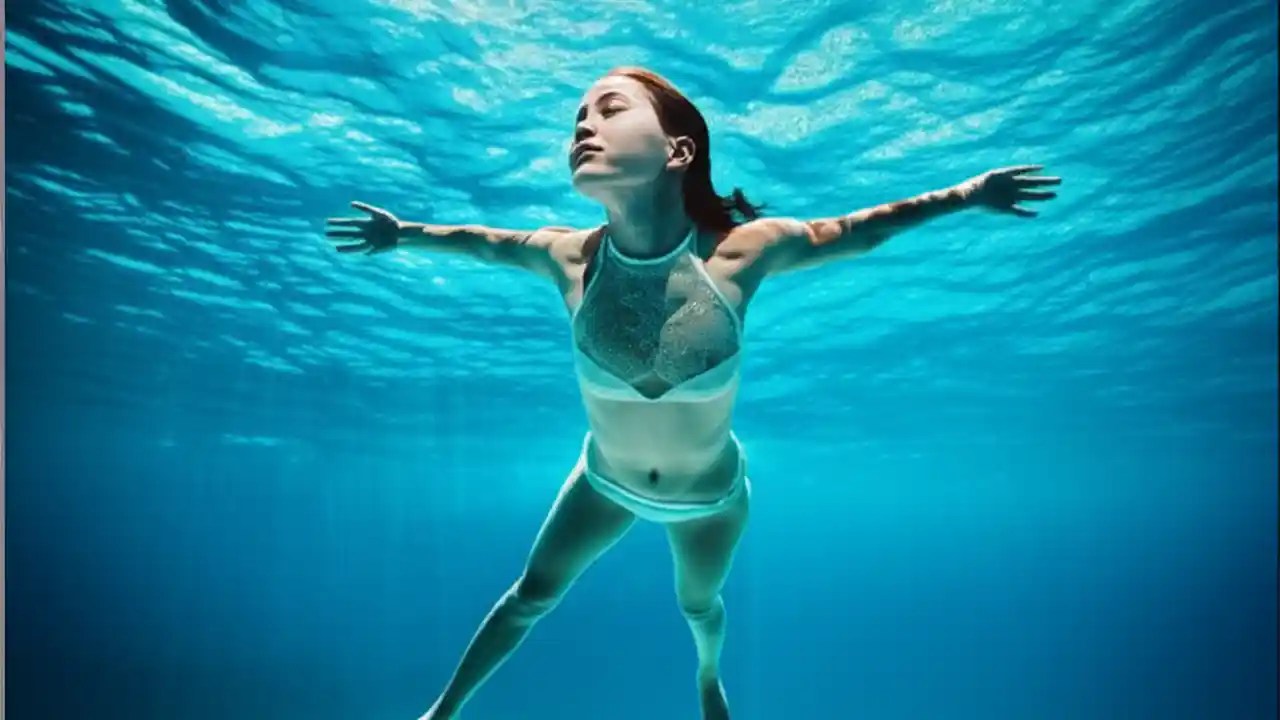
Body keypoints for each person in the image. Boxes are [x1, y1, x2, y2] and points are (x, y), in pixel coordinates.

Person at [325, 66, 1060, 720]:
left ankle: (708, 680)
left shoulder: (743, 252)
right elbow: (482, 241)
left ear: (678, 152)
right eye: (579, 115)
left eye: (609, 109)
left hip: (709, 498)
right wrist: (405, 234)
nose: (585, 124)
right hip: (604, 482)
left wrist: (965, 195)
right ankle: (440, 714)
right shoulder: (567, 257)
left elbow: (857, 231)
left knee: (697, 603)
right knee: (531, 595)